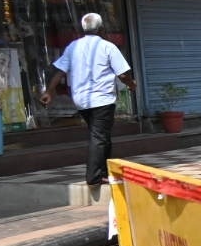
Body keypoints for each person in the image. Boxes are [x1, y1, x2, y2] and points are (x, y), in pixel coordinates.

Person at [44, 13, 135, 187]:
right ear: (101, 29)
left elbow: (60, 71)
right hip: (102, 100)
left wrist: (49, 91)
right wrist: (131, 84)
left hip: (81, 101)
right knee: (99, 136)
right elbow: (122, 73)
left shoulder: (73, 47)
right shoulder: (108, 47)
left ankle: (106, 172)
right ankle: (93, 177)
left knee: (102, 135)